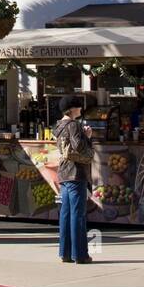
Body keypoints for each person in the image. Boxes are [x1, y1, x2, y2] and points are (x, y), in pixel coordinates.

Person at [53, 95, 93, 265]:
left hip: (63, 173)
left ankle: (65, 252)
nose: (81, 109)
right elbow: (79, 147)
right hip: (76, 173)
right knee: (78, 215)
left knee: (66, 213)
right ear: (71, 109)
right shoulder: (74, 125)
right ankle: (80, 254)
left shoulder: (59, 126)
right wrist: (88, 137)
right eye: (78, 107)